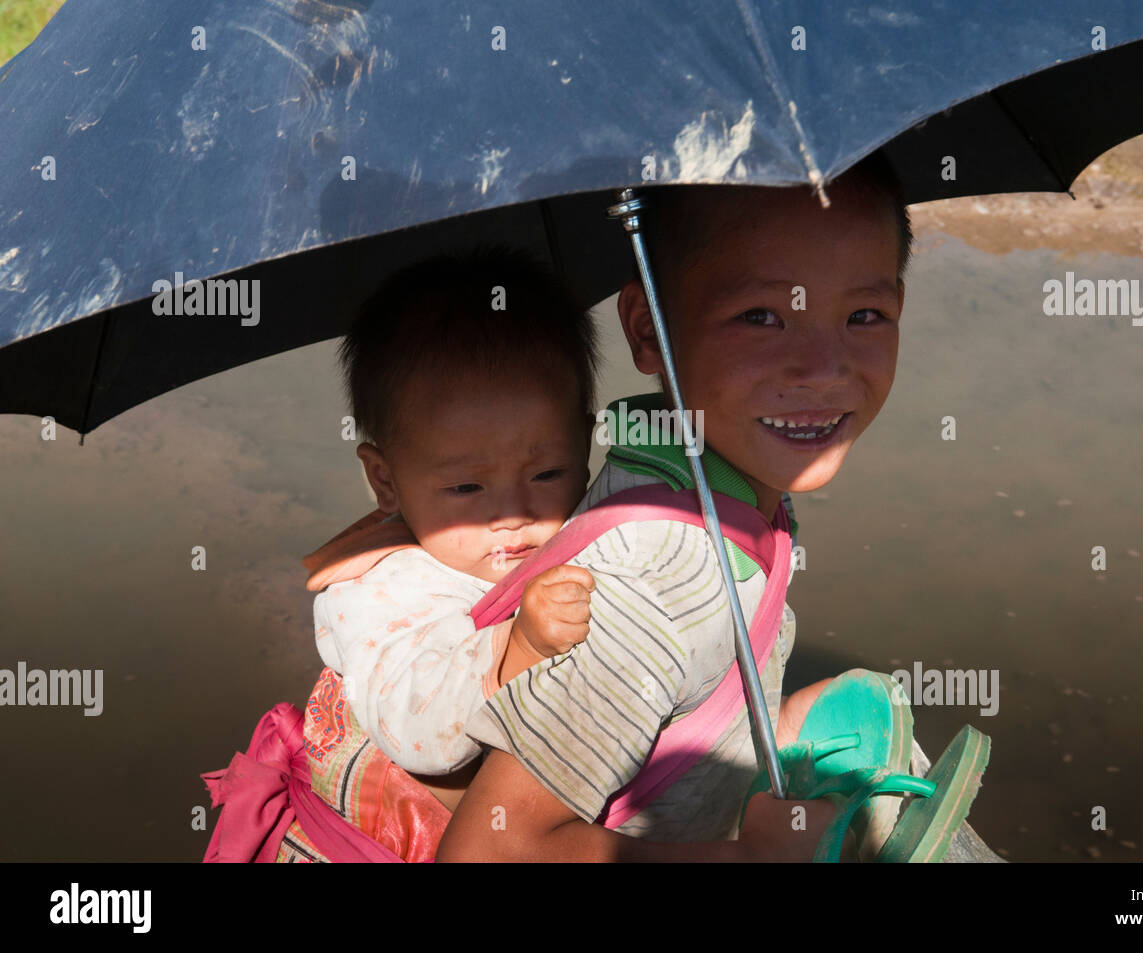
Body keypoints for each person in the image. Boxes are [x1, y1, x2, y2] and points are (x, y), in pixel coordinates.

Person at [437, 153, 945, 861]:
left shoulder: (693, 465)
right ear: (648, 331)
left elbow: (678, 708)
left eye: (865, 314)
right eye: (762, 317)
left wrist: (784, 720)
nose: (824, 369)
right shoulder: (664, 571)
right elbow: (490, 851)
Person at [266, 247, 604, 862]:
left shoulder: (586, 534)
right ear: (385, 479)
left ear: (586, 443)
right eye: (466, 489)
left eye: (549, 472)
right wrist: (518, 647)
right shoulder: (379, 593)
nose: (513, 515)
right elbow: (420, 734)